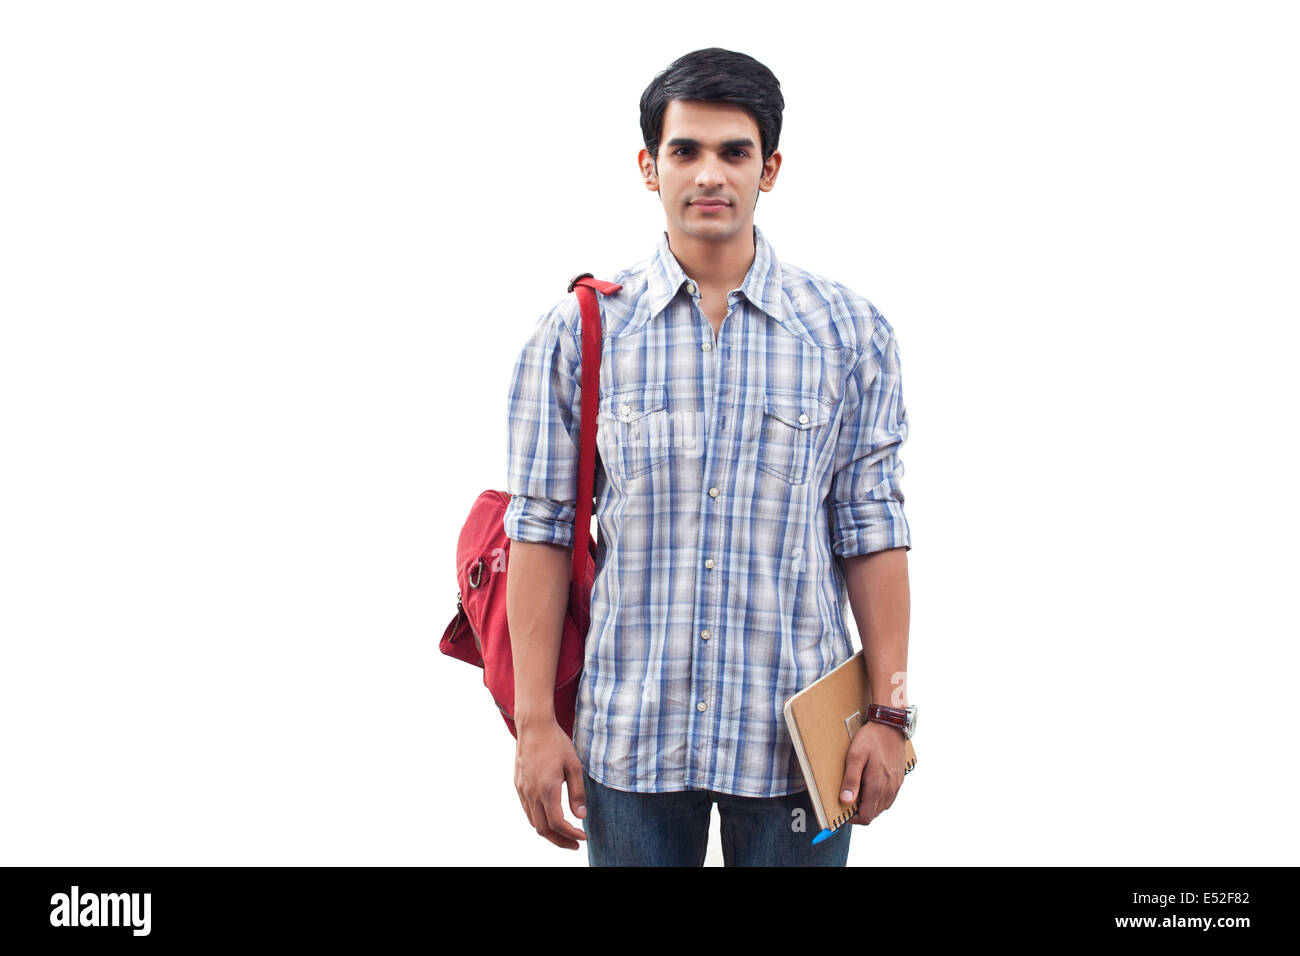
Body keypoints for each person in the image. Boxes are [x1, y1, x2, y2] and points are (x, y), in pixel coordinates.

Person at [502, 48, 913, 867]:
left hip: (796, 745)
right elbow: (540, 531)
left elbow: (872, 529)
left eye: (735, 151)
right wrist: (535, 725)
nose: (710, 174)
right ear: (649, 167)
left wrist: (891, 715)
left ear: (772, 168)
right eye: (686, 151)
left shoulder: (849, 334)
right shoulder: (582, 334)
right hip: (630, 736)